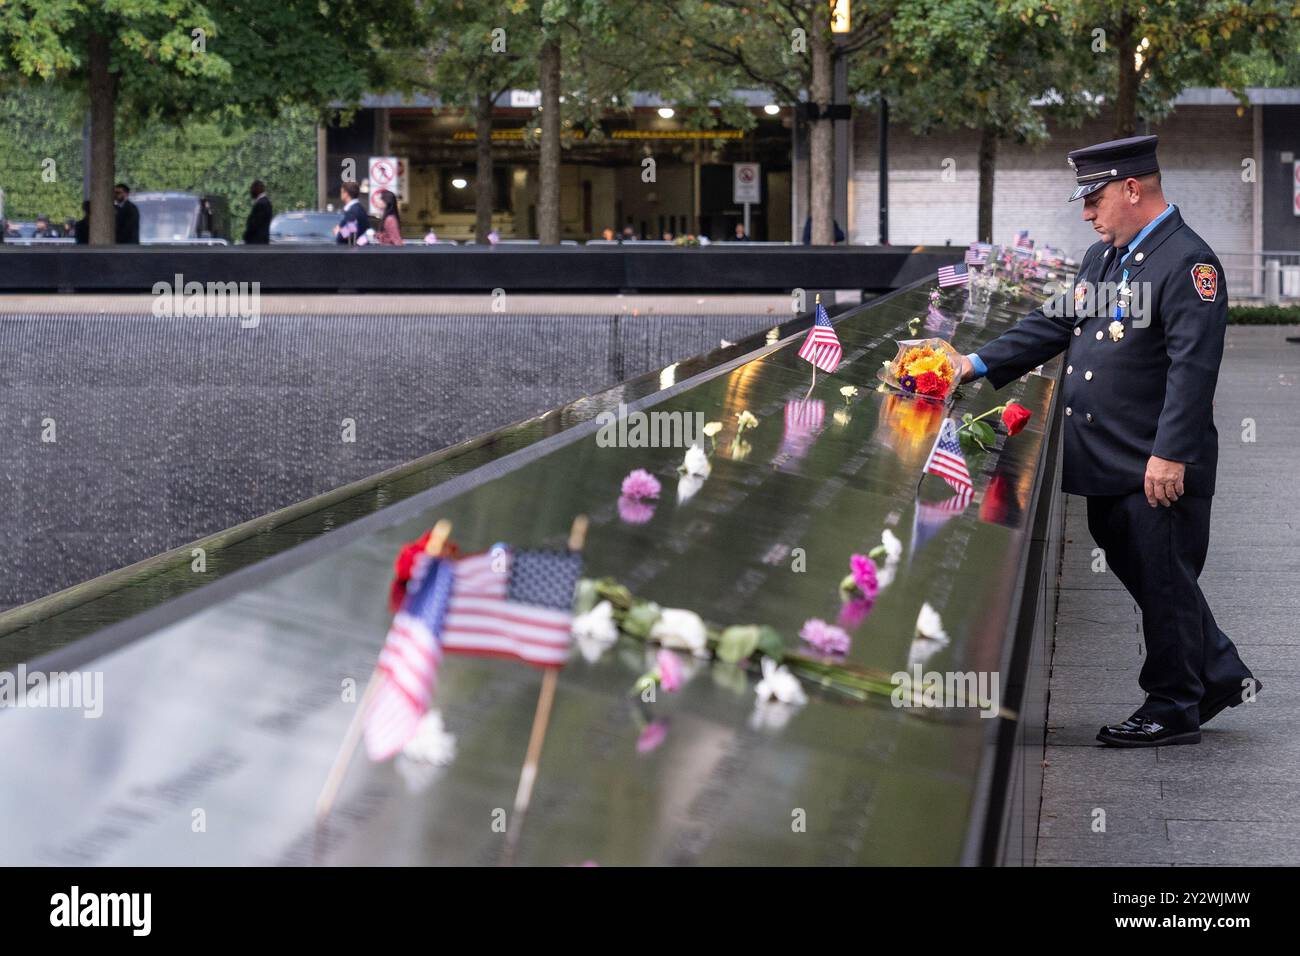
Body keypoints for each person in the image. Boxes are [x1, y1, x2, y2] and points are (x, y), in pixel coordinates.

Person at [958, 135, 1260, 748]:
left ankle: (1173, 704)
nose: (1087, 212)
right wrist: (973, 363)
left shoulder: (1189, 263)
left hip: (1154, 460)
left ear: (1132, 189)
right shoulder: (1109, 258)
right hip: (1111, 459)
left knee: (1165, 579)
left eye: (1094, 199)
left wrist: (1170, 454)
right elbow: (1053, 322)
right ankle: (1219, 672)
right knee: (1155, 574)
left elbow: (1192, 369)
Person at [243, 180, 272, 244]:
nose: (250, 191)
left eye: (252, 189)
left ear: (257, 189)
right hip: (261, 240)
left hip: (257, 241)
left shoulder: (261, 204)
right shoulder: (265, 202)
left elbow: (255, 223)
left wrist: (246, 235)